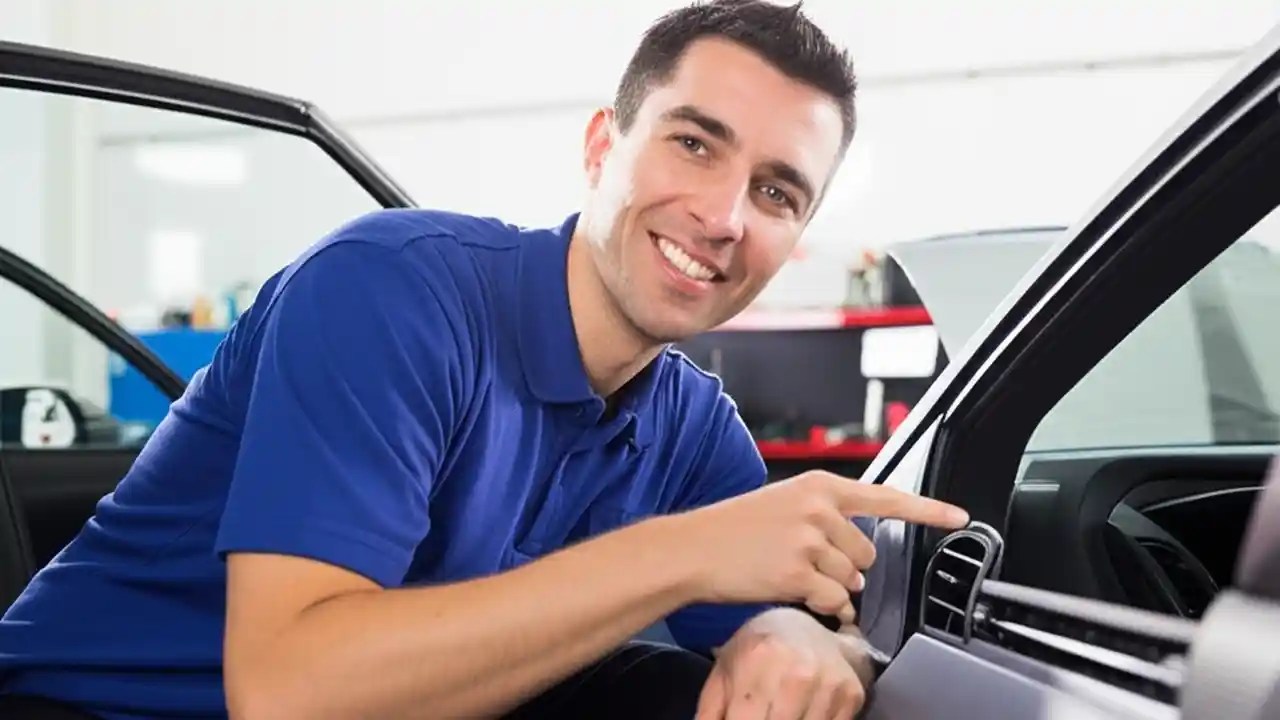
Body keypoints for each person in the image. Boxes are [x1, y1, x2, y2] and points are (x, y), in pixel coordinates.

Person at [0, 1, 969, 718]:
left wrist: (798, 639)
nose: (720, 217)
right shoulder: (390, 291)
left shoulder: (689, 429)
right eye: (692, 144)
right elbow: (289, 693)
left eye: (774, 191)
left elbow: (811, 645)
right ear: (601, 147)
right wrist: (681, 556)